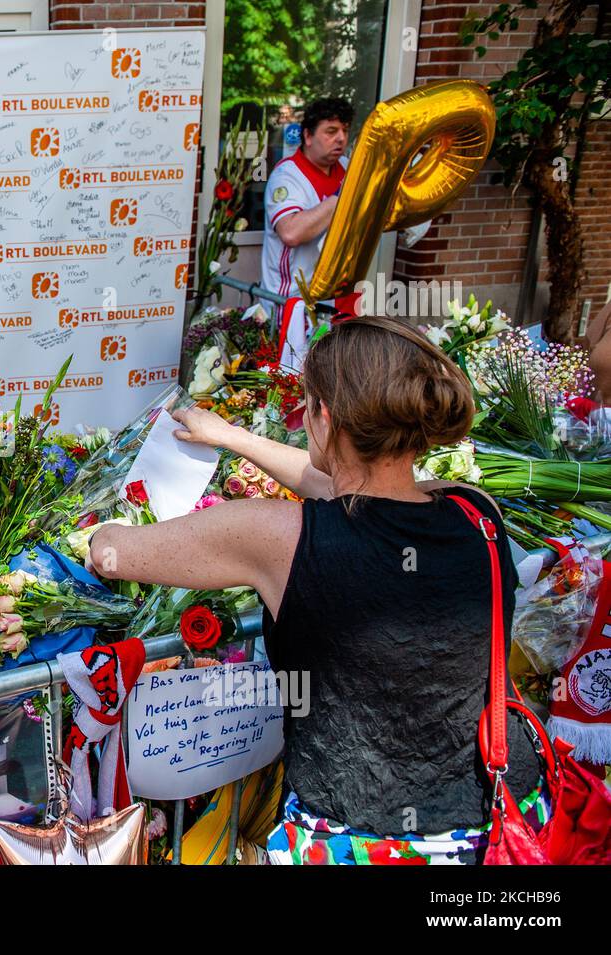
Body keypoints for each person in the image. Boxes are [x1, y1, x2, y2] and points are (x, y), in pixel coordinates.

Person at [88, 316, 547, 864]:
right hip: (500, 823)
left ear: (325, 417)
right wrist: (231, 437)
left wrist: (100, 527)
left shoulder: (280, 536)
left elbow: (114, 555)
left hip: (361, 840)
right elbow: (360, 490)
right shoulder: (477, 512)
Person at [260, 98, 355, 363]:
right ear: (308, 135)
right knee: (291, 385)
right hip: (292, 306)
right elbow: (291, 232)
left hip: (337, 300)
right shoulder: (287, 176)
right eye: (331, 131)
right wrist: (340, 198)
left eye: (345, 131)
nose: (340, 139)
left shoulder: (347, 168)